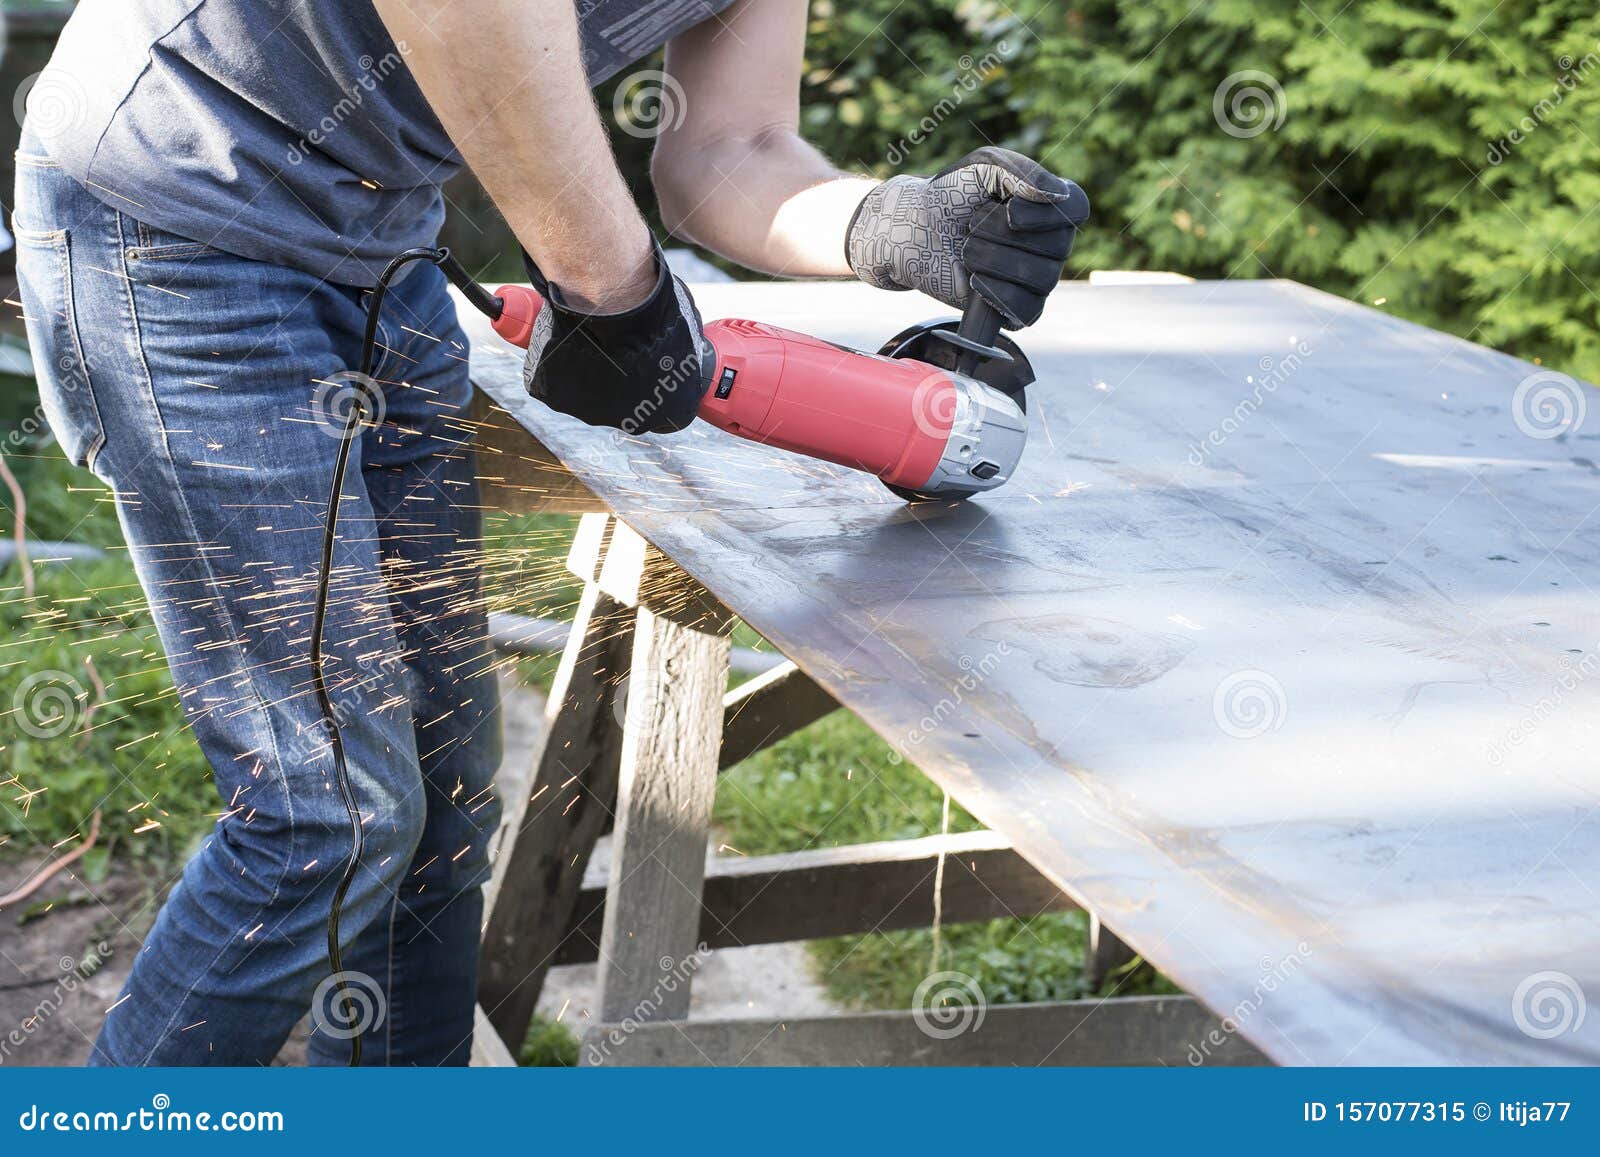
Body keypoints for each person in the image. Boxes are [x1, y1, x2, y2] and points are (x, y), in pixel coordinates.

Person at [12, 0, 1086, 1066]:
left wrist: (892, 224)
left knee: (438, 801)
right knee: (327, 818)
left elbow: (729, 150)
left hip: (377, 246)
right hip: (171, 221)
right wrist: (615, 291)